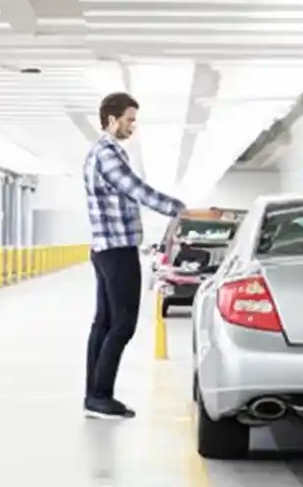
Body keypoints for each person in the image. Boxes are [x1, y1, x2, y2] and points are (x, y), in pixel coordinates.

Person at [82, 92, 186, 420]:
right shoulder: (108, 154)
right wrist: (178, 210)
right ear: (111, 119)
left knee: (105, 322)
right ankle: (100, 395)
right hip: (117, 249)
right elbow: (136, 189)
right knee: (123, 324)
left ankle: (95, 395)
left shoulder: (101, 153)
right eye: (128, 119)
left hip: (106, 248)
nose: (132, 126)